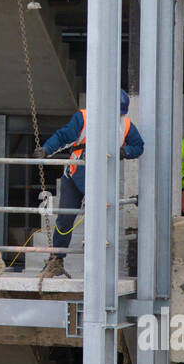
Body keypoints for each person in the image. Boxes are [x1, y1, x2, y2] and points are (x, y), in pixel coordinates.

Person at [36, 90, 145, 281]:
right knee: (65, 219)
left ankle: (98, 264)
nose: (117, 117)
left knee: (99, 217)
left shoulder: (126, 125)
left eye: (120, 114)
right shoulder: (84, 118)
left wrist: (124, 151)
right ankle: (56, 260)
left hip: (102, 178)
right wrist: (46, 150)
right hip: (75, 175)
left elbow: (138, 146)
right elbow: (63, 137)